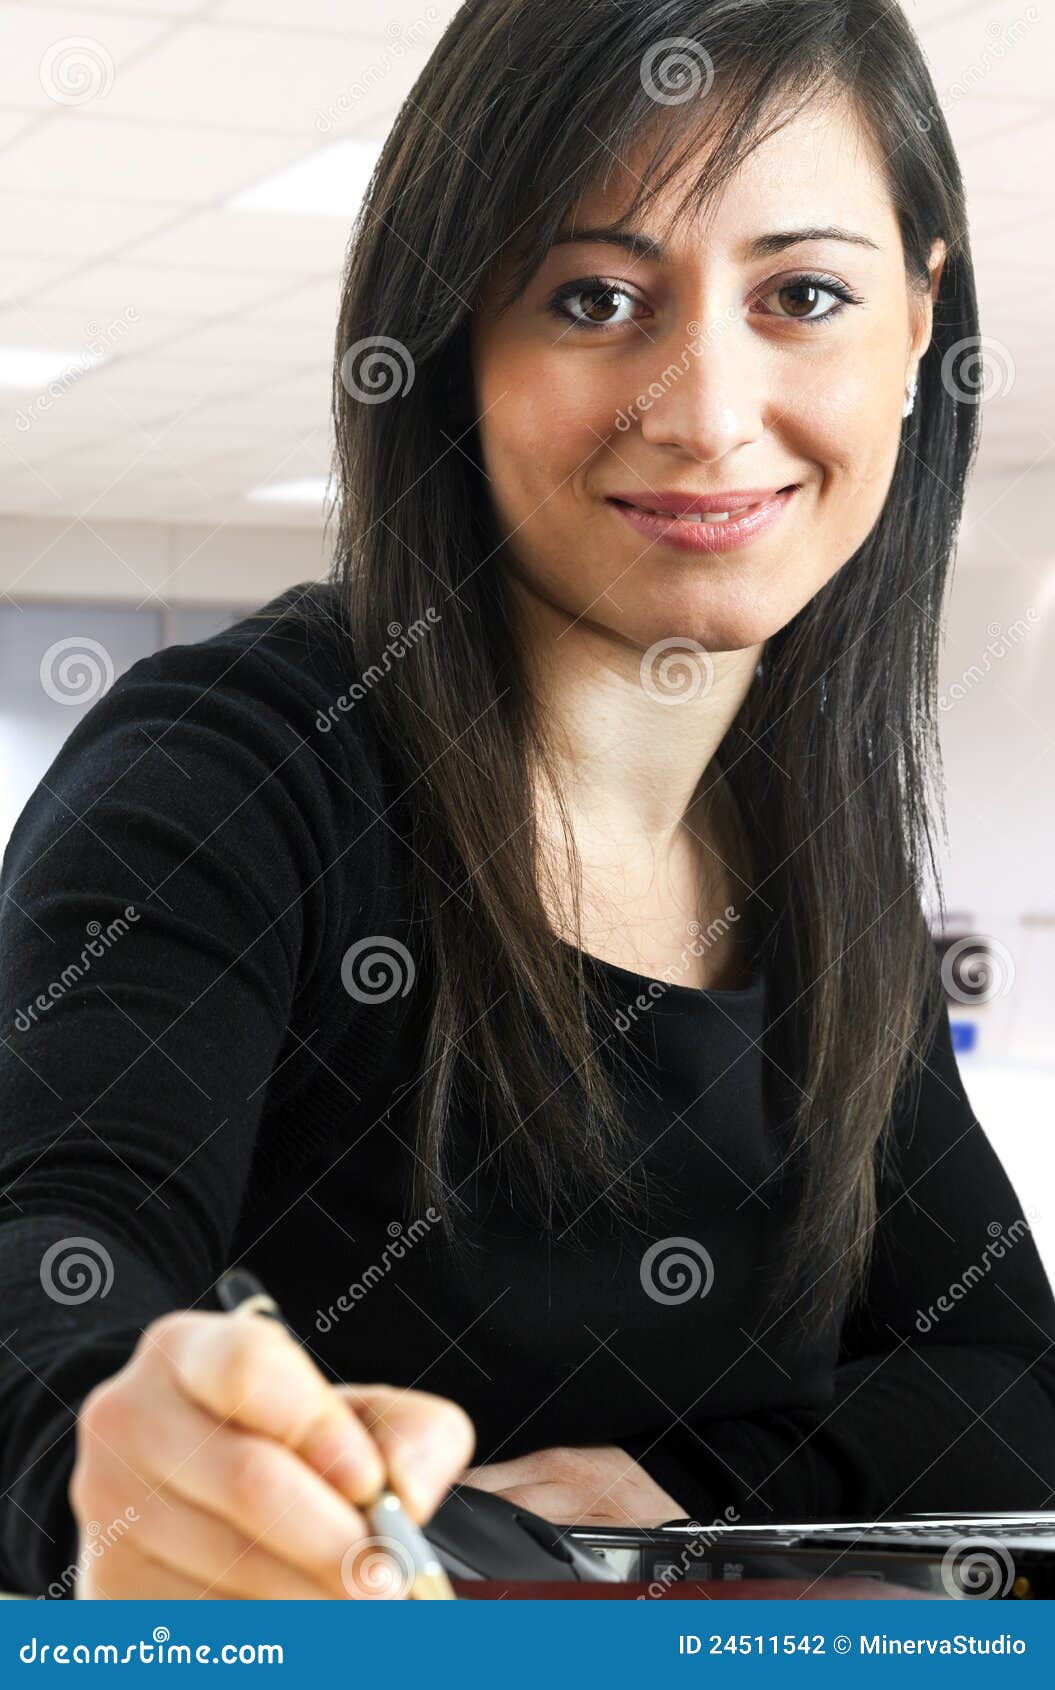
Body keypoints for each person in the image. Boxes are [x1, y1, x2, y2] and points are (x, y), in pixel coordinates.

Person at [2, 0, 1054, 1600]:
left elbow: (1011, 1380)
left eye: (804, 295)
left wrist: (684, 1492)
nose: (706, 413)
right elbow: (45, 1251)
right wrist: (113, 1453)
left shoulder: (813, 854)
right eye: (595, 298)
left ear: (918, 322)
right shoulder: (236, 763)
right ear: (454, 345)